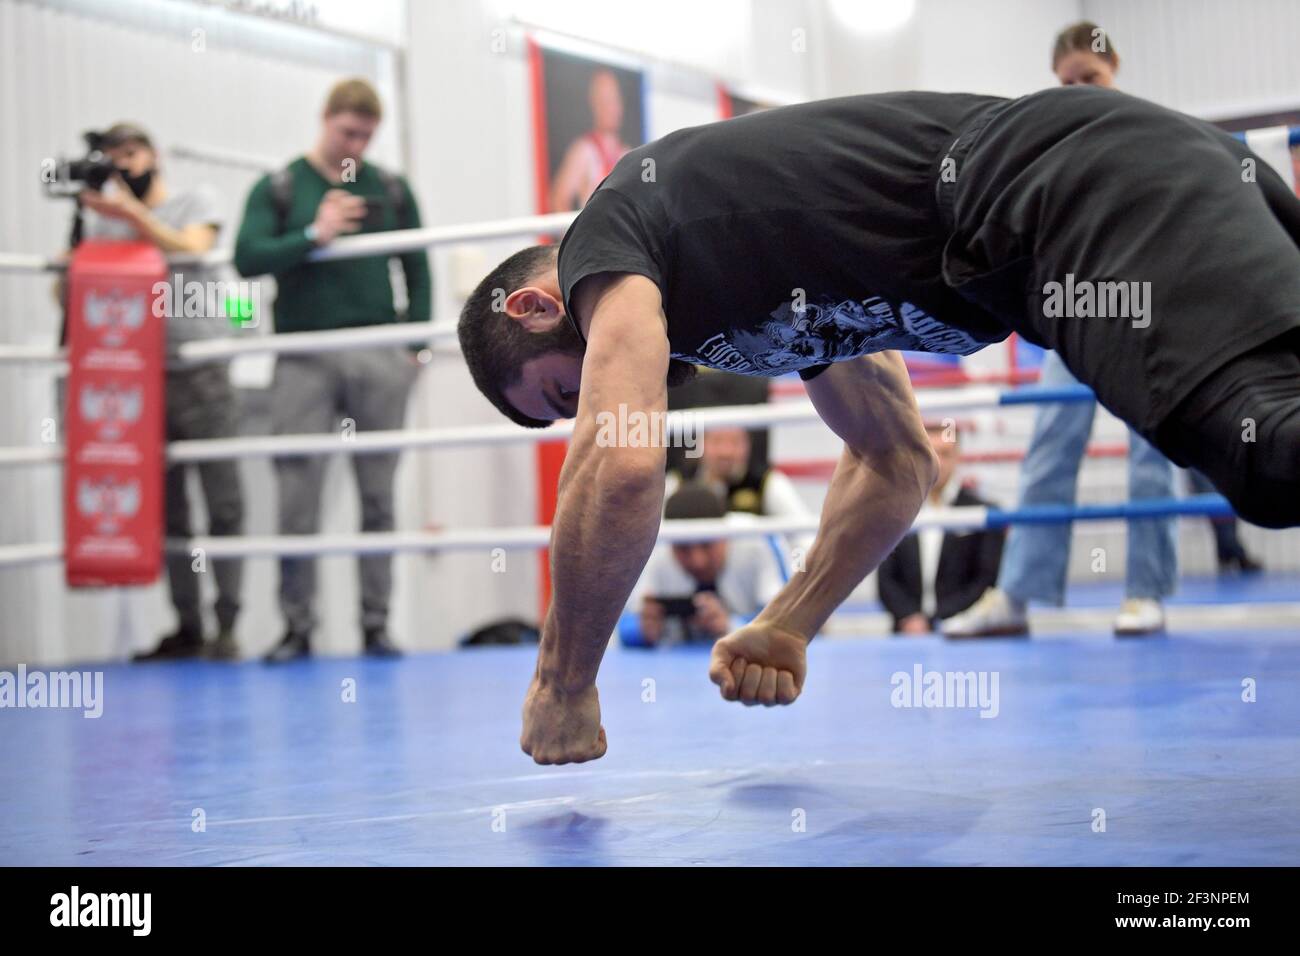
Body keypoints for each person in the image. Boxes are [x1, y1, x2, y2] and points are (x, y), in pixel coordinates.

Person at [458, 82, 1300, 764]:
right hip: (1119, 180)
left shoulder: (607, 233)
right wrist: (789, 623)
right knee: (1275, 459)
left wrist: (562, 683)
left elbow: (621, 464)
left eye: (564, 396)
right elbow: (897, 458)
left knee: (1266, 452)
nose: (590, 406)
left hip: (1075, 187)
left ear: (539, 306)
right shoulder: (764, 284)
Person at [942, 22, 1178, 638]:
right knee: (1050, 442)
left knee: (1150, 451)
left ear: (1115, 69)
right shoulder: (1051, 143)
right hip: (1073, 306)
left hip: (1143, 305)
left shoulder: (1153, 132)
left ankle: (1146, 591)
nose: (1080, 91)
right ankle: (1018, 595)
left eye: (1091, 79)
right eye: (1068, 82)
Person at [233, 78, 431, 662]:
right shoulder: (281, 186)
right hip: (302, 353)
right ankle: (297, 627)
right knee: (297, 493)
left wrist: (414, 344)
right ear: (324, 119)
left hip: (378, 349)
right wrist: (310, 235)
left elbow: (416, 266)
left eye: (366, 136)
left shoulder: (391, 189)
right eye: (347, 132)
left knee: (379, 495)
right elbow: (246, 258)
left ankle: (376, 625)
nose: (356, 146)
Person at [71, 121, 246, 662]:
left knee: (225, 503)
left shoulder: (196, 199)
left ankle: (227, 628)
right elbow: (70, 293)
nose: (122, 165)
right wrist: (79, 232)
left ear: (154, 156)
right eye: (111, 157)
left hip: (202, 366)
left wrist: (133, 217)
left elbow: (194, 248)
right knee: (168, 511)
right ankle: (188, 626)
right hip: (140, 375)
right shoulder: (106, 223)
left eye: (131, 153)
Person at [619, 483, 784, 647]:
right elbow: (623, 626)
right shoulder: (658, 544)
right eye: (683, 548)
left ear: (725, 535)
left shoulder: (757, 539)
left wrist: (731, 625)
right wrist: (641, 630)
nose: (698, 561)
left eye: (706, 544)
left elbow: (786, 619)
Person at [877, 422, 1003, 634]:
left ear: (958, 456)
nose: (938, 462)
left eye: (945, 453)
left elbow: (986, 580)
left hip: (965, 634)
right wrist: (909, 617)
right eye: (931, 453)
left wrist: (935, 621)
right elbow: (886, 580)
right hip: (906, 635)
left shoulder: (983, 512)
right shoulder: (896, 510)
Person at [549, 69, 632, 212]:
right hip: (595, 232)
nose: (610, 108)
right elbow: (558, 198)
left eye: (613, 100)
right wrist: (574, 234)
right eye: (604, 101)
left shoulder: (629, 155)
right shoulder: (583, 150)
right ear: (594, 104)